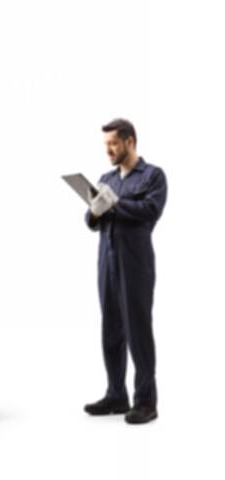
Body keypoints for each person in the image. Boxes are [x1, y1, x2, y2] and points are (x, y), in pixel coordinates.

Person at [83, 118, 167, 425]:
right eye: (105, 145)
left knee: (138, 332)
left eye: (113, 144)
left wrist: (115, 205)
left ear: (130, 141)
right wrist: (94, 209)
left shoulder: (153, 176)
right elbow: (91, 222)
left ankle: (146, 402)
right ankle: (116, 395)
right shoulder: (107, 178)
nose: (108, 150)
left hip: (135, 264)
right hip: (106, 262)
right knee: (111, 332)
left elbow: (150, 211)